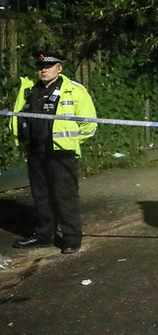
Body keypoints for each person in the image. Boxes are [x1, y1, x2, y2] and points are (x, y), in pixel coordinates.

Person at [10, 51, 97, 254]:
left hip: (62, 152)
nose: (44, 70)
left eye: (48, 66)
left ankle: (71, 238)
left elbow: (89, 124)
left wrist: (70, 140)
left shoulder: (73, 90)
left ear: (59, 68)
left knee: (65, 196)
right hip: (36, 150)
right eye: (41, 67)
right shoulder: (29, 88)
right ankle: (44, 235)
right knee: (41, 195)